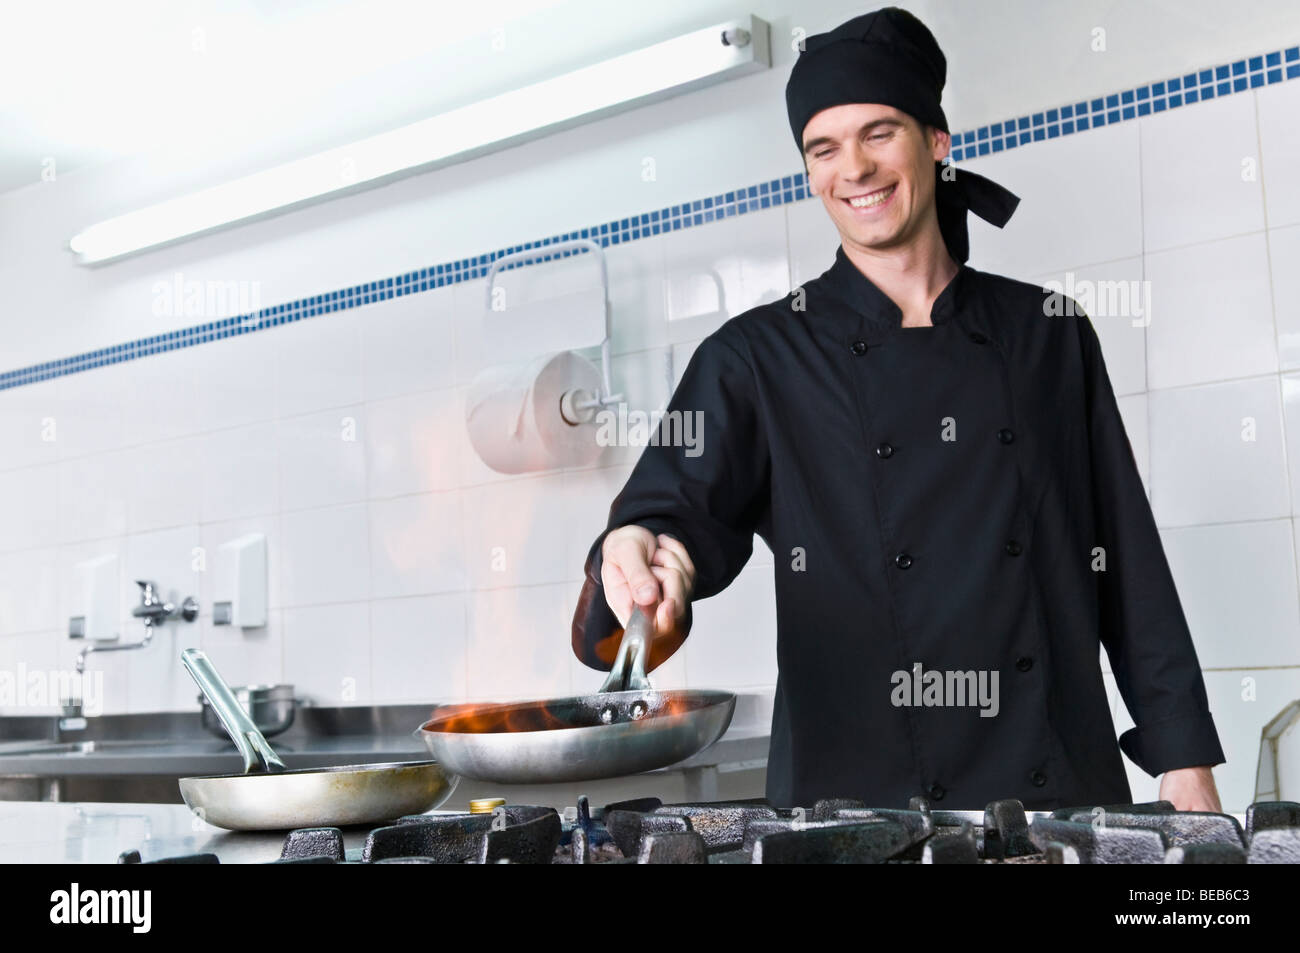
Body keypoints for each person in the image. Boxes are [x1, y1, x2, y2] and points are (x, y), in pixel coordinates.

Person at [571, 6, 1225, 812]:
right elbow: (667, 521)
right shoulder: (759, 357)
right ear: (809, 172)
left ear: (936, 142)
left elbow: (1122, 551)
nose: (854, 168)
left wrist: (1183, 752)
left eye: (879, 133)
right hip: (854, 811)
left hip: (1058, 793)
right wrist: (635, 551)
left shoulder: (1046, 333)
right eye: (824, 148)